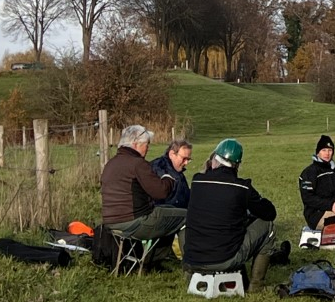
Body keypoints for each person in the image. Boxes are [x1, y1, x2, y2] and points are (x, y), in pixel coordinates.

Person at [183, 138, 280, 292]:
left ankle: (190, 275)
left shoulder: (197, 181)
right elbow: (269, 213)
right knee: (268, 226)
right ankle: (256, 285)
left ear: (214, 159)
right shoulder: (242, 187)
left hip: (193, 259)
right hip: (223, 259)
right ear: (237, 165)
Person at [100, 124, 184, 268]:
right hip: (134, 222)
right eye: (147, 144)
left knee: (169, 212)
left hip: (111, 222)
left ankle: (155, 260)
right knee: (186, 216)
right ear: (135, 144)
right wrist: (168, 179)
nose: (148, 148)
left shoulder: (111, 164)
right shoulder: (137, 164)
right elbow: (160, 192)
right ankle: (192, 265)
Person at [298, 134, 335, 229]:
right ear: (318, 153)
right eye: (323, 150)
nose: (327, 153)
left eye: (330, 150)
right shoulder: (309, 172)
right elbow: (308, 198)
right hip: (317, 215)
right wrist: (331, 205)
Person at [149, 138, 192, 210]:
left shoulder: (176, 171)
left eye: (188, 159)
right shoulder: (160, 169)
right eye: (184, 158)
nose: (186, 163)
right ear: (172, 154)